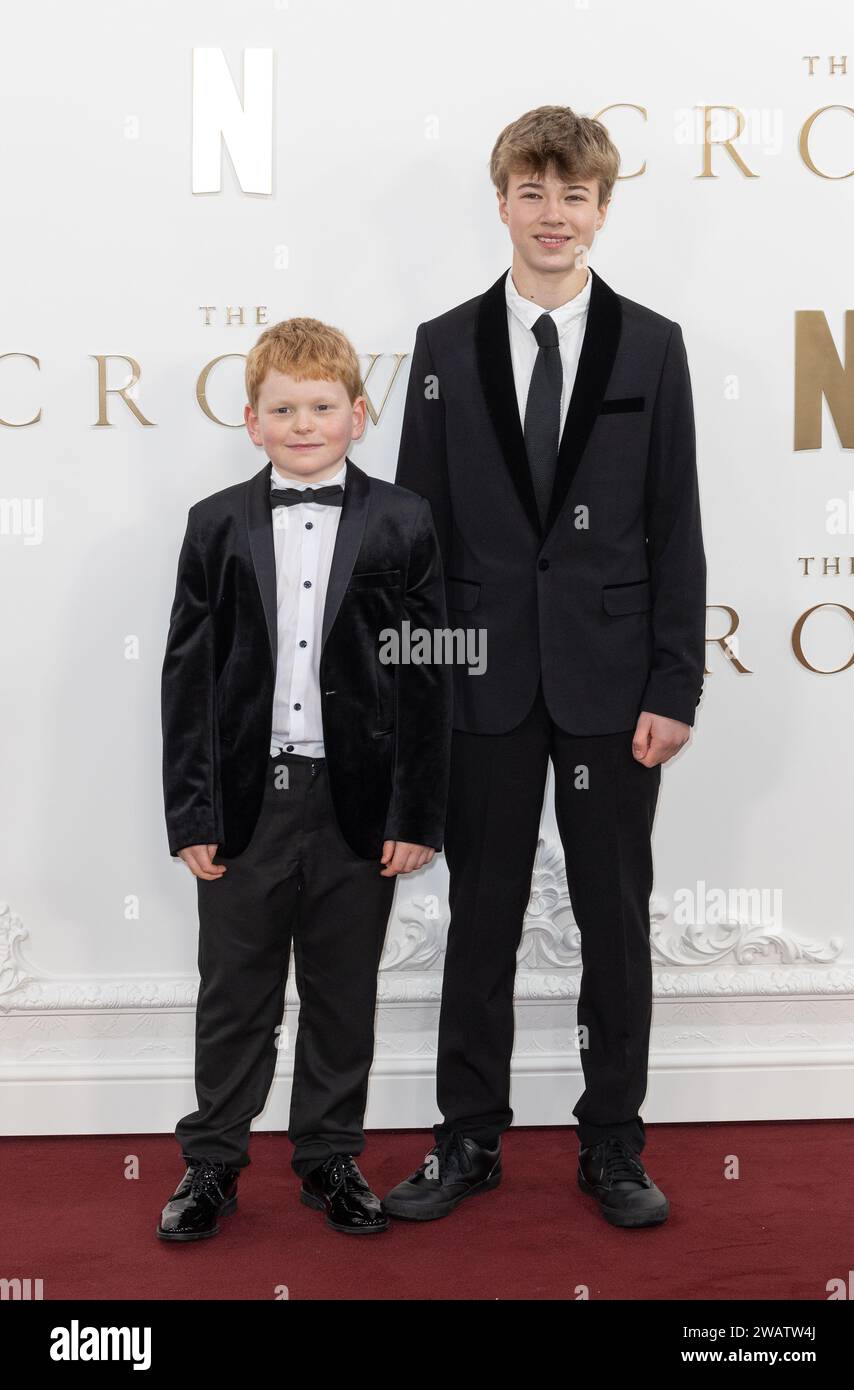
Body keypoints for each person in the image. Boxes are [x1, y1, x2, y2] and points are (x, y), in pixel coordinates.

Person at [385, 105, 707, 1228]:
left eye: (574, 195)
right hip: (478, 683)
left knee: (614, 919)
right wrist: (422, 686)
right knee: (481, 911)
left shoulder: (653, 344)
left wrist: (674, 684)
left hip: (614, 686)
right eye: (533, 191)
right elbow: (413, 538)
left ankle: (612, 1145)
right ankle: (466, 1140)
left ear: (603, 208)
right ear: (502, 202)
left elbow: (674, 523)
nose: (553, 213)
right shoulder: (440, 345)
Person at [157, 317, 451, 1240]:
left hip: (356, 807)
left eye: (323, 406)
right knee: (234, 987)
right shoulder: (214, 523)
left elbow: (427, 673)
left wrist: (416, 811)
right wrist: (192, 811)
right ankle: (212, 1165)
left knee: (340, 988)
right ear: (251, 420)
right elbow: (188, 677)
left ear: (359, 413)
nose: (304, 422)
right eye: (283, 408)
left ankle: (329, 1158)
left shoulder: (404, 517)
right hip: (247, 806)